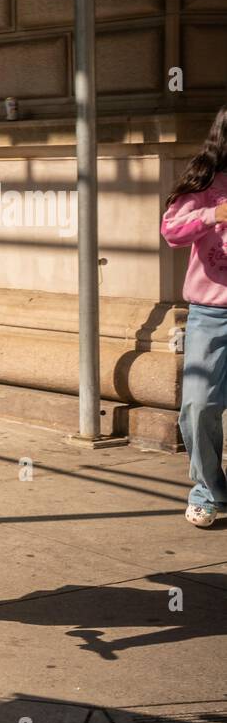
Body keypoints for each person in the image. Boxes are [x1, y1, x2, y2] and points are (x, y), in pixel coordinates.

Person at [160, 104, 227, 528]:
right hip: (211, 314)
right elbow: (171, 231)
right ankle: (208, 490)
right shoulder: (206, 178)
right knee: (199, 406)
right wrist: (212, 214)